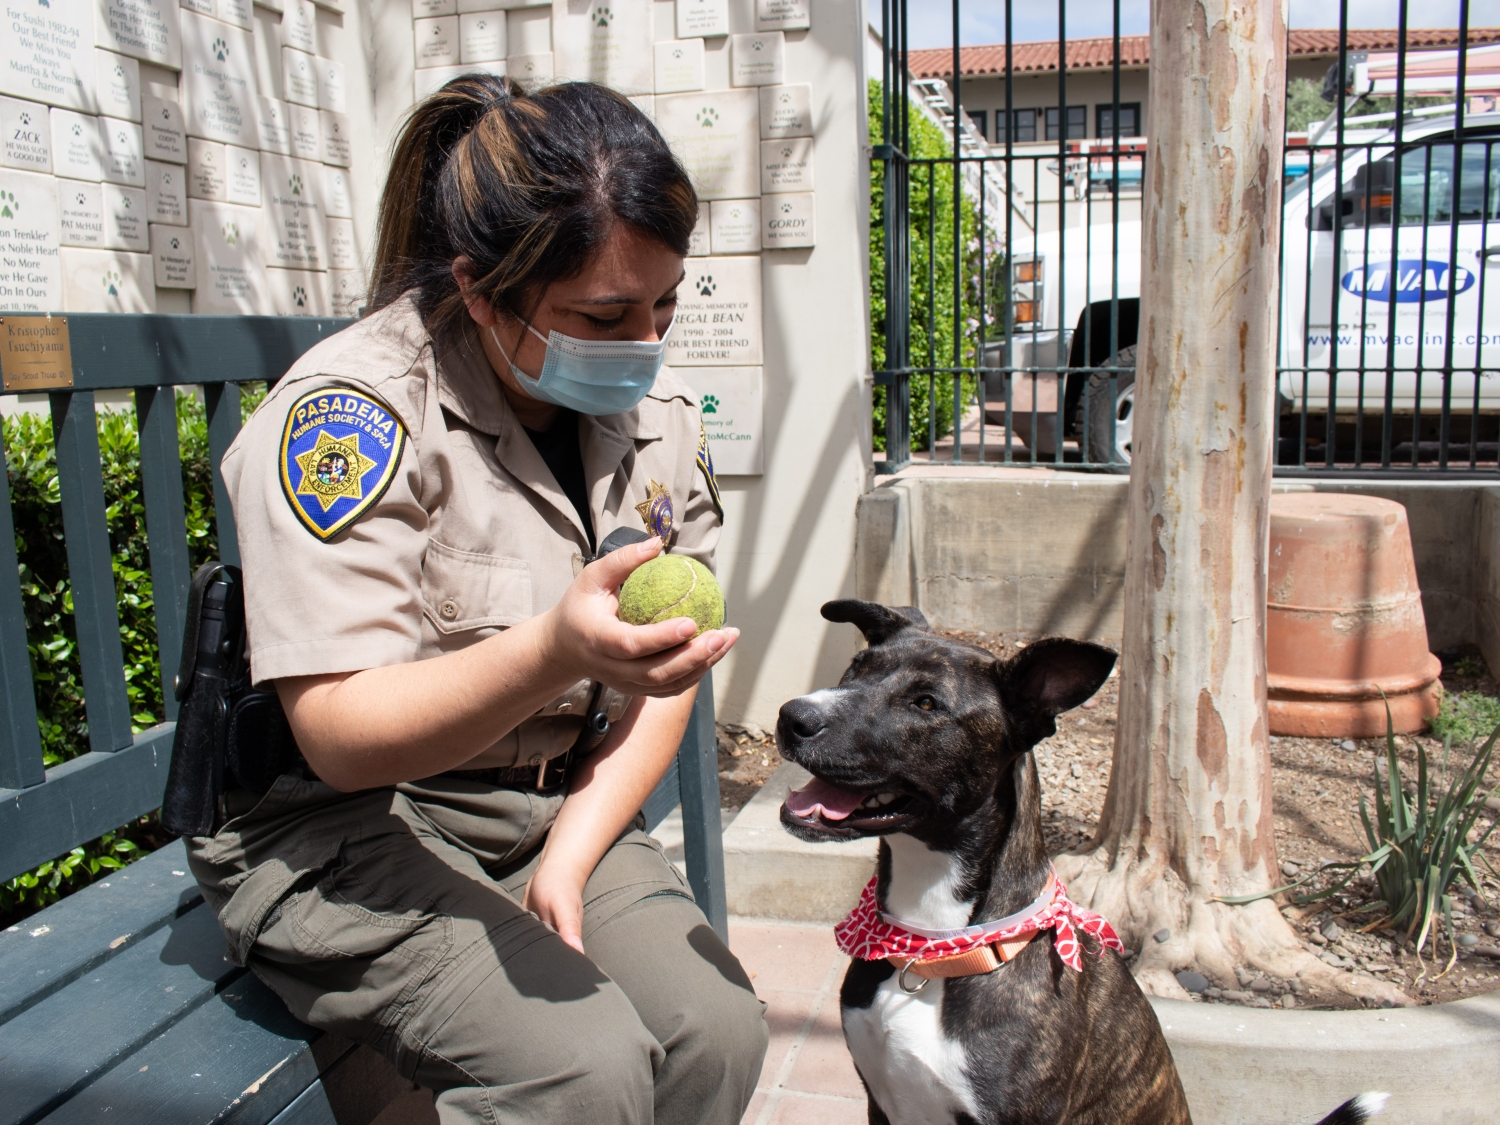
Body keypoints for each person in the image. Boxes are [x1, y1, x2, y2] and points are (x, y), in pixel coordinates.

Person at [186, 74, 768, 1124]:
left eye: (666, 303)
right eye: (604, 313)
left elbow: (671, 676)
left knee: (716, 1029)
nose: (645, 342)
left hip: (545, 807)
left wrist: (579, 845)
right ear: (482, 289)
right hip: (345, 829)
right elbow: (340, 738)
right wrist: (555, 651)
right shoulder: (350, 421)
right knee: (582, 1072)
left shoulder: (662, 418)